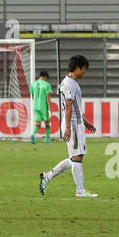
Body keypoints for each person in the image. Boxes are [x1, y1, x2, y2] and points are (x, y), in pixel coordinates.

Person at [38, 55, 97, 197]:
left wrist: (86, 123)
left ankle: (48, 176)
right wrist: (69, 128)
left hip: (76, 122)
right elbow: (69, 107)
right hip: (74, 124)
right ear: (77, 68)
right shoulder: (70, 84)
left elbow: (74, 107)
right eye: (84, 69)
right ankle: (80, 191)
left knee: (74, 158)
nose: (85, 72)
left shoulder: (67, 82)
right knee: (77, 157)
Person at [29, 70, 52, 144]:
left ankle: (33, 135)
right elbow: (48, 98)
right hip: (43, 106)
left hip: (35, 106)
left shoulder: (33, 84)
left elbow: (32, 96)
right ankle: (47, 140)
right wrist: (50, 108)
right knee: (47, 123)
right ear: (45, 77)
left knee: (37, 124)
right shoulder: (46, 84)